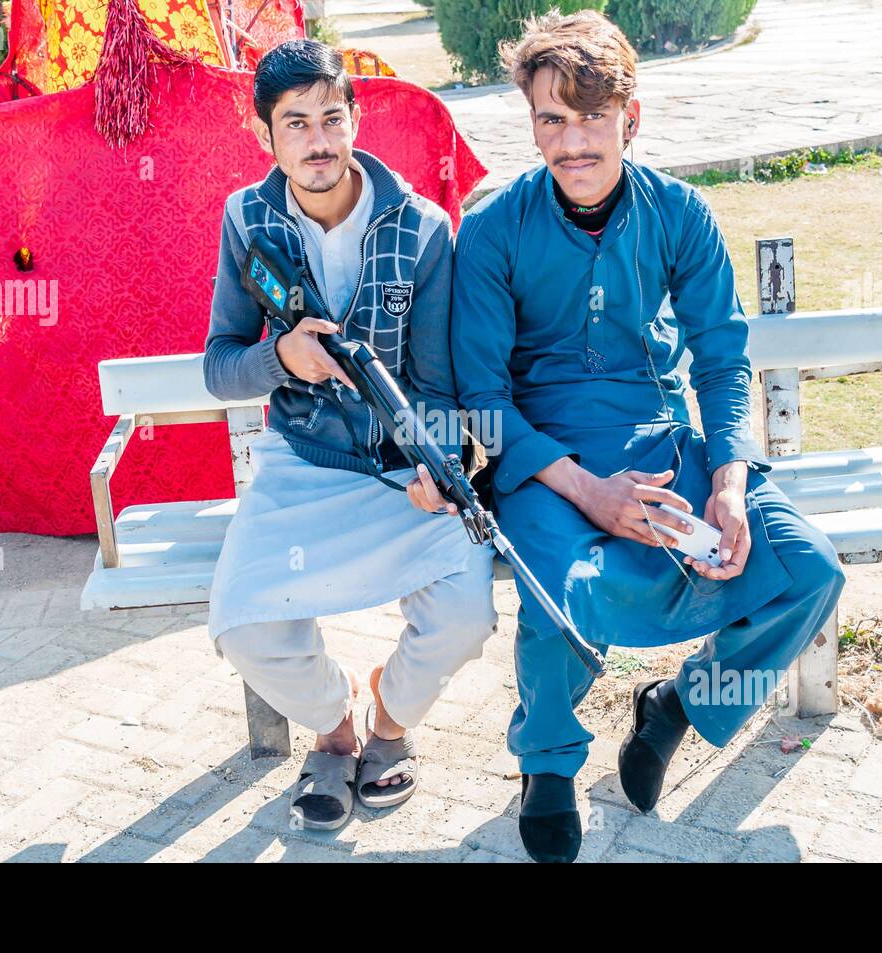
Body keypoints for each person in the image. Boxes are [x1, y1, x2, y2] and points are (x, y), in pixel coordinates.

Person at [451, 10, 845, 863]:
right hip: (544, 462)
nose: (572, 142)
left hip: (664, 441)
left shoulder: (681, 214)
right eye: (550, 119)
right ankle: (548, 764)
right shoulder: (490, 231)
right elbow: (481, 400)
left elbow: (722, 359)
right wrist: (590, 492)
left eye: (591, 117)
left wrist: (731, 480)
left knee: (809, 567)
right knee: (557, 590)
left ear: (632, 116)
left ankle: (679, 705)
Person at [204, 39, 497, 832]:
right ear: (266, 133)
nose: (318, 140)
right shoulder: (245, 219)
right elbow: (220, 367)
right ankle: (333, 730)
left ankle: (389, 721)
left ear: (356, 119)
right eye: (295, 123)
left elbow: (438, 384)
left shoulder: (425, 225)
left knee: (468, 610)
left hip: (399, 471)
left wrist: (438, 461)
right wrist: (281, 357)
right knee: (240, 621)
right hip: (299, 462)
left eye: (332, 118)